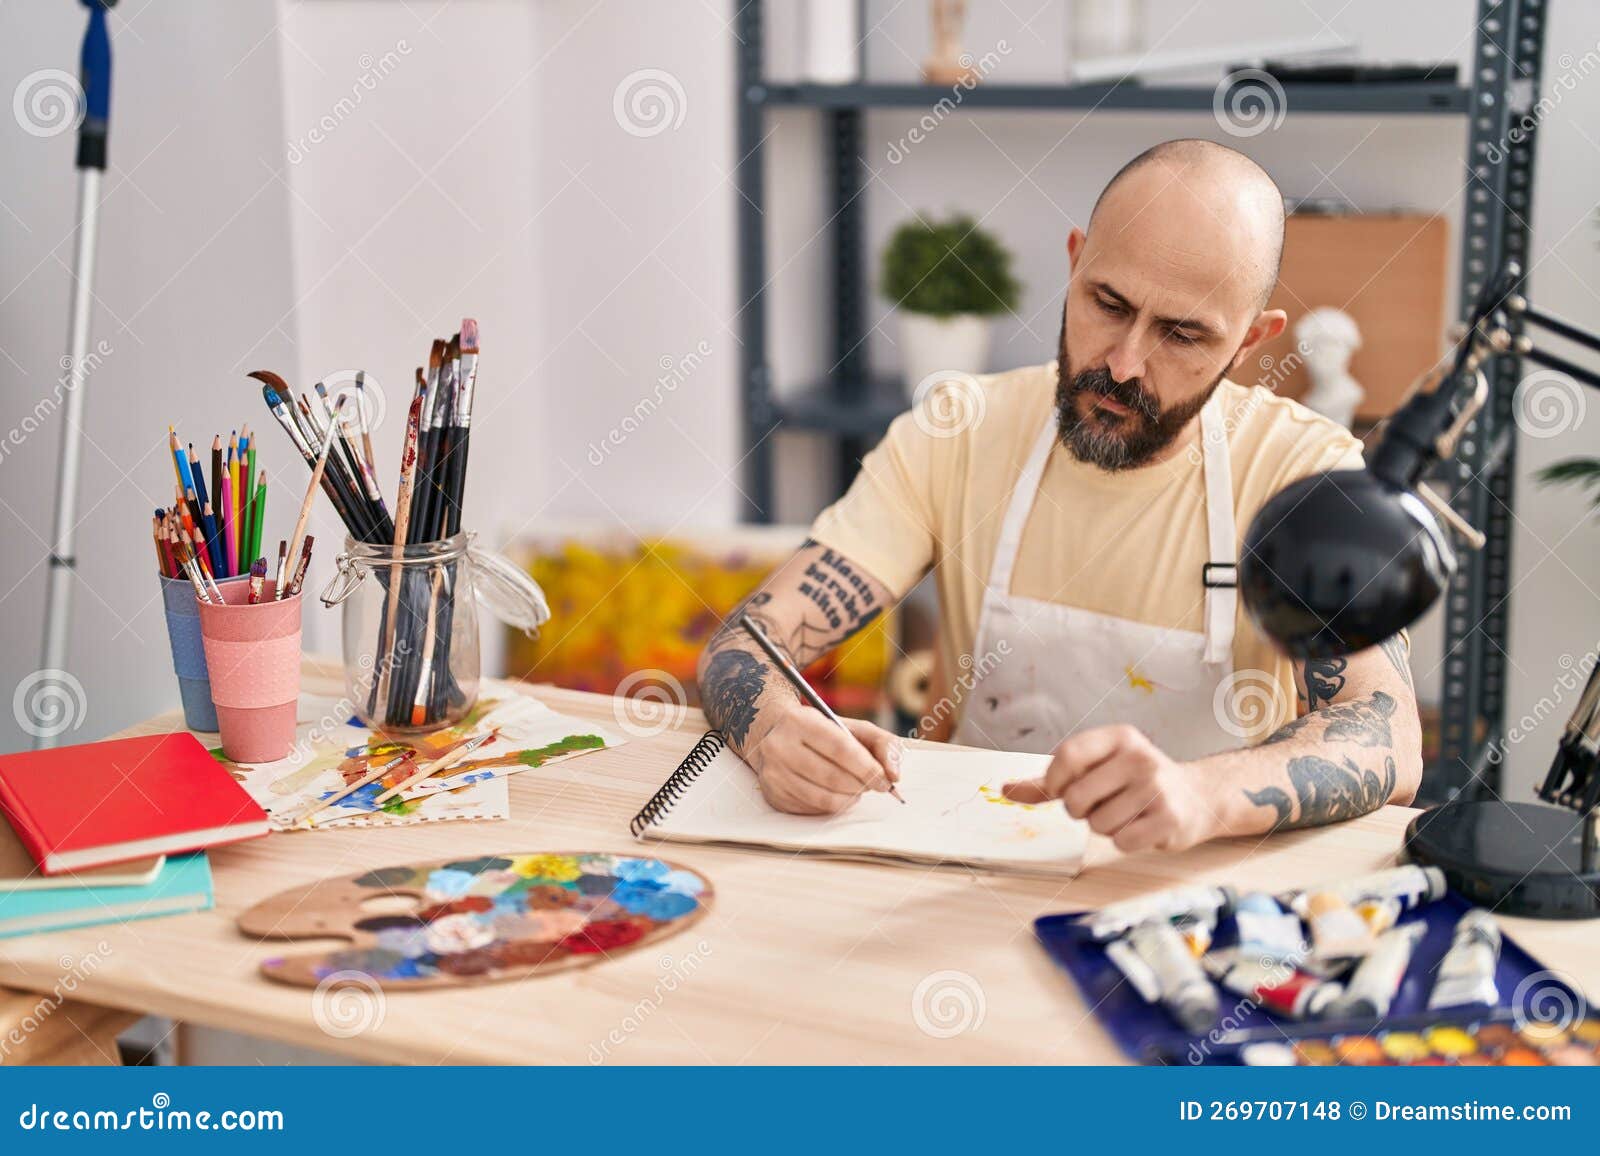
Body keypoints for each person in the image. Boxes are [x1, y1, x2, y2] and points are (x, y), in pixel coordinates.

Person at [696, 139, 1421, 853]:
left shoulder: (1306, 473)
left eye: (1183, 335)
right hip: (967, 862)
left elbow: (1386, 730)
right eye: (1108, 303)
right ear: (1074, 262)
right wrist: (774, 734)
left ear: (1248, 343)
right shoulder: (956, 433)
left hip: (1195, 893)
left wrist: (1202, 793)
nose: (1125, 363)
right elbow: (746, 642)